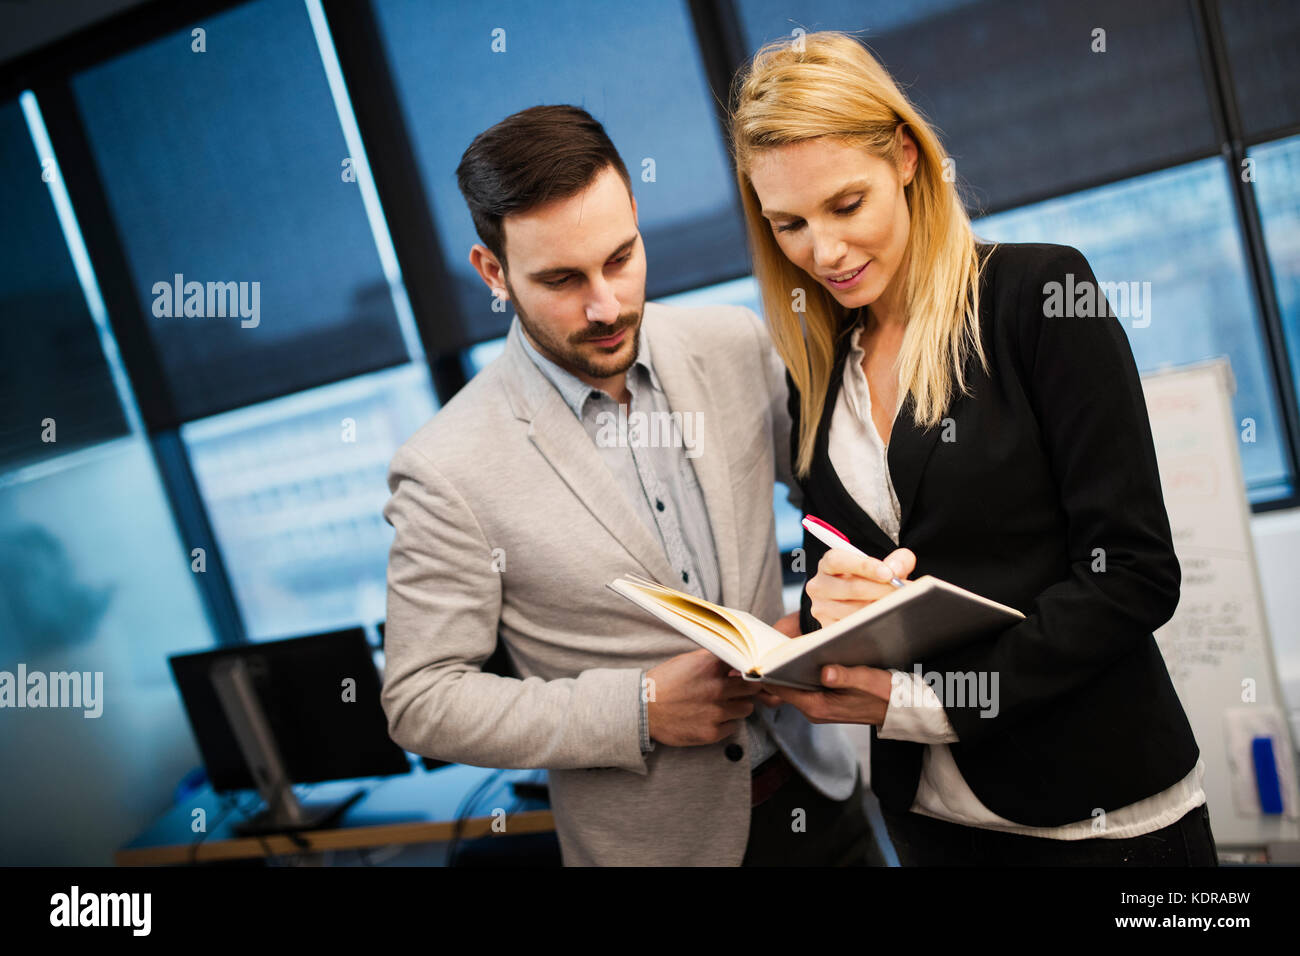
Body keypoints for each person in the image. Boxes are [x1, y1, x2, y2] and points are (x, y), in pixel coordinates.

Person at [727, 31, 1217, 865]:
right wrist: (824, 612)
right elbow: (856, 566)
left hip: (1096, 816)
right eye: (791, 225)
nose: (826, 253)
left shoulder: (1037, 300)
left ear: (908, 158)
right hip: (928, 823)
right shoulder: (816, 376)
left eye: (847, 206)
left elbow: (1133, 574)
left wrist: (925, 703)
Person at [380, 104, 874, 866]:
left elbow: (839, 502)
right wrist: (638, 709)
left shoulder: (731, 341)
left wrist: (817, 611)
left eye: (620, 258)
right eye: (561, 279)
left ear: (637, 218)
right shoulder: (447, 467)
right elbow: (419, 700)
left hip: (826, 793)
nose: (606, 306)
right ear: (492, 273)